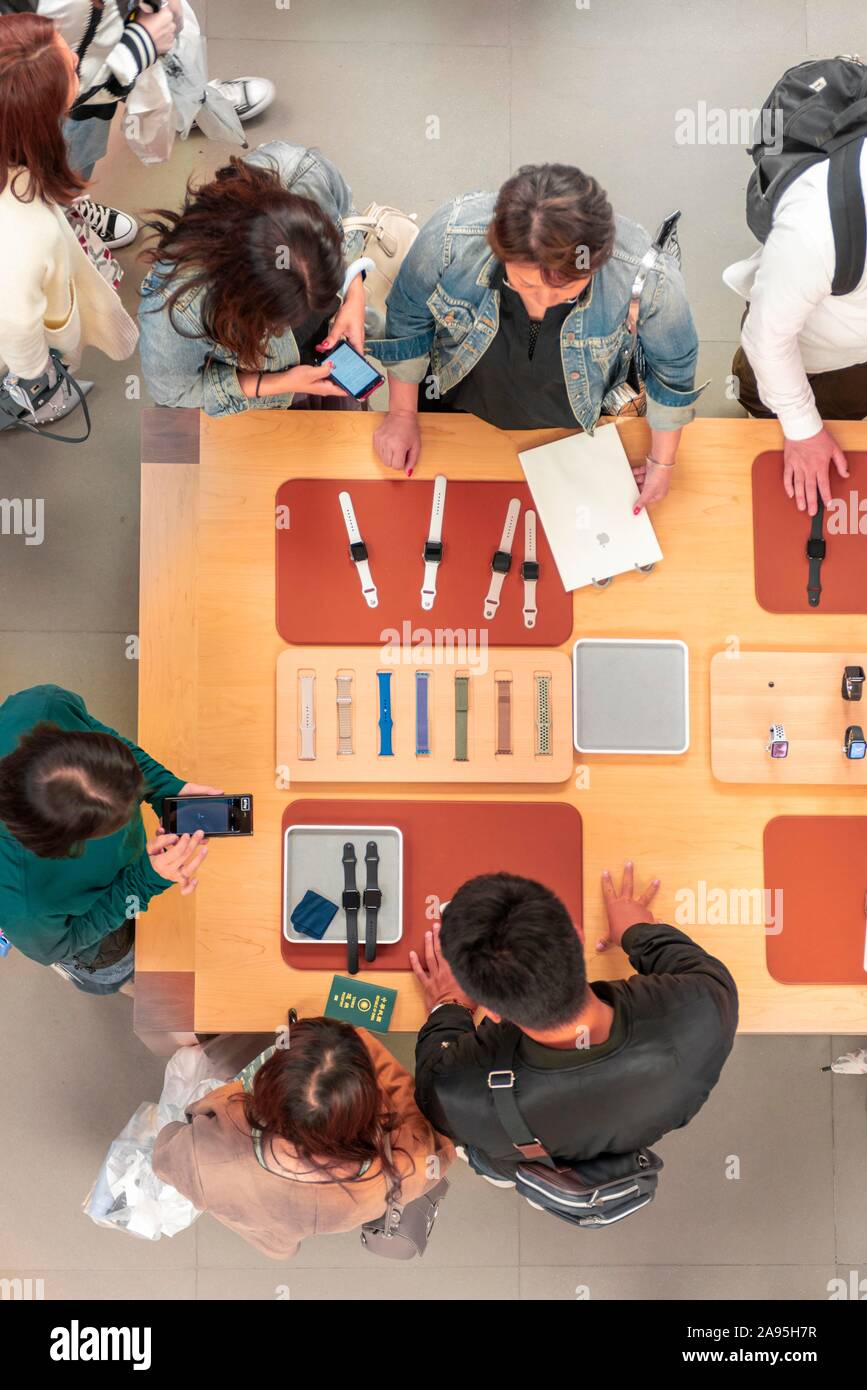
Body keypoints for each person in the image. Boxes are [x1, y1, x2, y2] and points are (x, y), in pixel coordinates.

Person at [370, 164, 705, 507]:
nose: (540, 303)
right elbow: (408, 317)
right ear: (502, 250)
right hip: (461, 400)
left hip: (575, 422)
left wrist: (663, 463)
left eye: (566, 290)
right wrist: (401, 415)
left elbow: (672, 368)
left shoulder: (648, 278)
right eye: (526, 284)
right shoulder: (451, 236)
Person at [411, 865, 738, 1187]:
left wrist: (449, 1004)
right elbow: (697, 968)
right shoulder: (703, 1011)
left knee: (493, 1159)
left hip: (519, 1147)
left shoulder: (456, 1093)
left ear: (493, 1013)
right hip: (624, 1129)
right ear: (577, 936)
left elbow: (433, 1070)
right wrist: (638, 931)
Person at [152, 1018, 454, 1260]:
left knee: (277, 1242)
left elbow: (164, 1150)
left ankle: (283, 1250)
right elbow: (439, 1146)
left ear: (267, 1088)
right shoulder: (403, 1169)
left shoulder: (201, 1158)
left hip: (263, 1223)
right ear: (361, 1102)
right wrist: (357, 1042)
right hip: (324, 1214)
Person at [0, 2, 276, 250]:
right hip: (39, 97)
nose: (73, 60)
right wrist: (135, 51)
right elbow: (19, 86)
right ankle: (56, 214)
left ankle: (67, 200)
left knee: (85, 129)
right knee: (45, 163)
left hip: (85, 61)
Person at [0, 685, 218, 994]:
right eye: (118, 819)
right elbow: (65, 944)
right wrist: (145, 880)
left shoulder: (45, 705)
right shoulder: (23, 906)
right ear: (65, 847)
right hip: (86, 933)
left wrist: (167, 788)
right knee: (115, 971)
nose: (135, 807)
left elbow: (105, 738)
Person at [138, 141, 369, 416]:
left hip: (315, 363)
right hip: (249, 392)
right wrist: (279, 383)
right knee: (185, 451)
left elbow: (346, 215)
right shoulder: (173, 308)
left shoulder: (302, 170)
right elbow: (174, 391)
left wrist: (354, 293)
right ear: (243, 300)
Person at [0, 11, 138, 428]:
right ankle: (31, 399)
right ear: (42, 121)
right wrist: (35, 371)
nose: (78, 63)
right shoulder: (25, 232)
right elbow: (17, 322)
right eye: (72, 70)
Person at [726, 146, 867, 516]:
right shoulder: (821, 223)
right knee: (762, 408)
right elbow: (766, 339)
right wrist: (803, 430)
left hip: (855, 363)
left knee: (846, 414)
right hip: (803, 354)